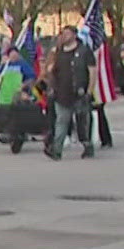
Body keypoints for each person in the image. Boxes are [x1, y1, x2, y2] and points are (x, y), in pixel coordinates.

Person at [46, 29, 94, 161]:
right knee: (61, 122)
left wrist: (89, 91)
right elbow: (53, 72)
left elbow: (92, 72)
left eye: (67, 33)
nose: (64, 36)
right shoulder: (59, 53)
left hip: (79, 93)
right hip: (62, 94)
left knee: (82, 124)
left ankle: (87, 145)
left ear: (74, 35)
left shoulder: (84, 51)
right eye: (62, 34)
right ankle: (56, 150)